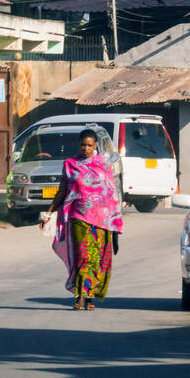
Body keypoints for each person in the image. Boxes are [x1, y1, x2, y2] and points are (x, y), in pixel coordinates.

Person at [45, 128, 123, 311]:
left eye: (89, 145)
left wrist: (116, 229)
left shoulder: (104, 164)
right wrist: (49, 213)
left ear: (95, 145)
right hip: (78, 217)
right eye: (82, 145)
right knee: (82, 258)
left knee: (95, 260)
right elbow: (62, 192)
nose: (85, 148)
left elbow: (112, 195)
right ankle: (80, 297)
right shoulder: (70, 164)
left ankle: (90, 299)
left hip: (102, 222)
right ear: (78, 144)